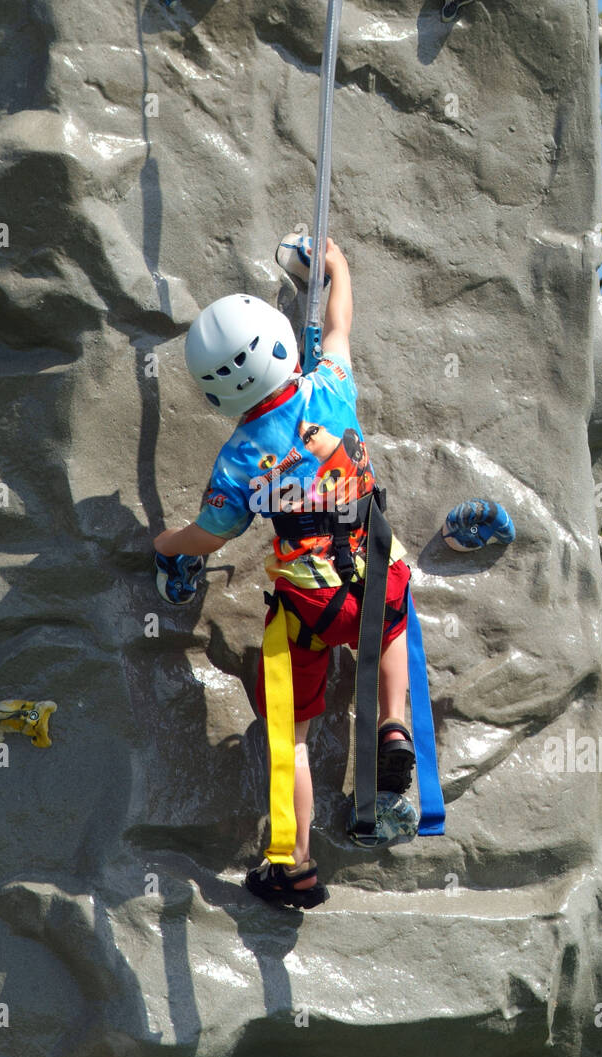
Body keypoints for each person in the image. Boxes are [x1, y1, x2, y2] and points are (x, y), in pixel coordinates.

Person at [154, 238, 416, 908]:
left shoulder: (242, 453)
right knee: (389, 630)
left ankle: (292, 861)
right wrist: (335, 269)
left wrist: (166, 542)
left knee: (289, 733)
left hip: (308, 606)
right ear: (282, 348)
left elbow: (213, 532)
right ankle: (392, 724)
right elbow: (339, 327)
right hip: (373, 569)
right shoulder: (330, 385)